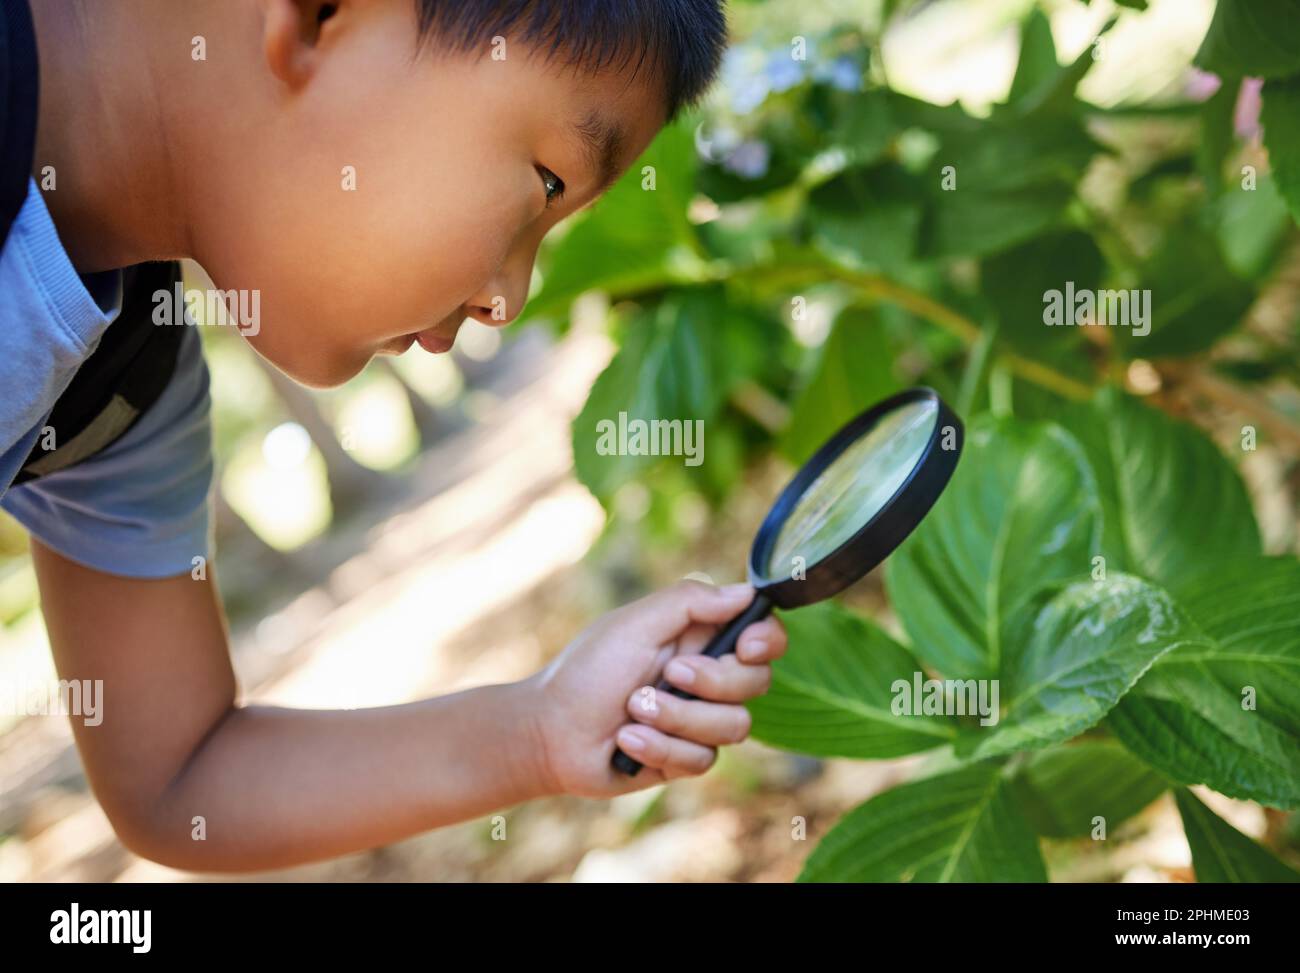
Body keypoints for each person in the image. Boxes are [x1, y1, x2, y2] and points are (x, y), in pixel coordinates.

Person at [0, 0, 788, 872]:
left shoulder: (116, 387)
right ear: (324, 16)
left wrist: (539, 727)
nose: (508, 299)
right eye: (548, 183)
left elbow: (179, 775)